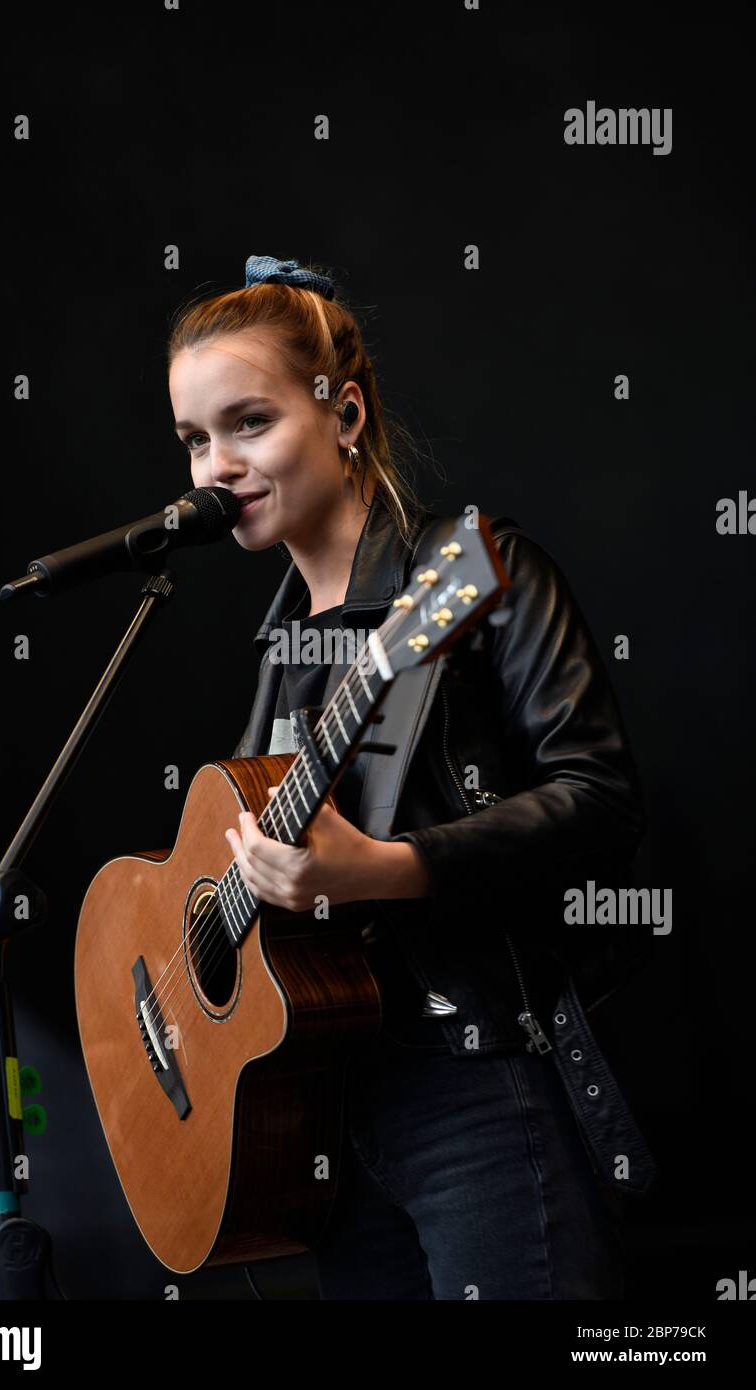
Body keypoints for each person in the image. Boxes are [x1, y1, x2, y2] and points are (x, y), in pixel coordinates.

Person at [165, 253, 655, 1300]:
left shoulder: (467, 573)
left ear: (343, 416)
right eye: (194, 440)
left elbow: (601, 800)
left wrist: (387, 866)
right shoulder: (279, 650)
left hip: (474, 1090)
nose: (215, 466)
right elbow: (250, 903)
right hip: (325, 1124)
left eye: (247, 423)